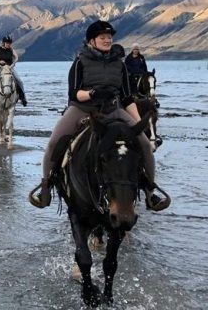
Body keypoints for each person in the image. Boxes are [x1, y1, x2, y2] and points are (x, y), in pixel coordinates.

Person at [29, 20, 167, 211]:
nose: (107, 40)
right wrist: (92, 94)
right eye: (102, 37)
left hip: (113, 109)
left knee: (143, 144)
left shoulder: (120, 65)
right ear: (91, 41)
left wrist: (137, 123)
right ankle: (46, 186)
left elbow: (127, 98)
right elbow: (74, 92)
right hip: (83, 108)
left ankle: (150, 191)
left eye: (109, 37)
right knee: (54, 142)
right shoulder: (80, 62)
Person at [0, 36, 26, 106]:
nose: (9, 44)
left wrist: (12, 65)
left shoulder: (12, 50)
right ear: (3, 43)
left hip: (9, 68)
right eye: (7, 43)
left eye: (10, 43)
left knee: (19, 81)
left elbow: (16, 58)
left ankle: (23, 98)